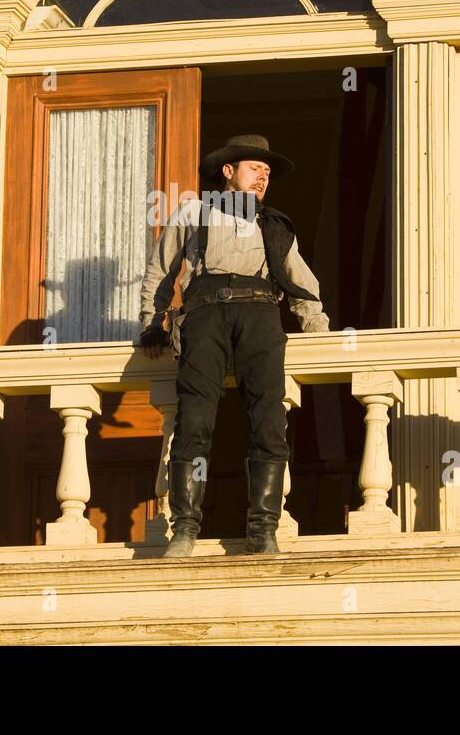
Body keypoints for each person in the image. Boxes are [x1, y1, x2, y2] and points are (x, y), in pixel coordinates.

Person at [138, 134, 330, 557]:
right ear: (229, 172)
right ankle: (185, 529)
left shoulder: (275, 224)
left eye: (267, 173)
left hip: (260, 313)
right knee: (195, 417)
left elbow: (300, 281)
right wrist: (152, 324)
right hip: (205, 314)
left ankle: (263, 529)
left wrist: (316, 326)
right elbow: (161, 272)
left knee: (268, 417)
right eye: (254, 169)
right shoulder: (194, 211)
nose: (263, 178)